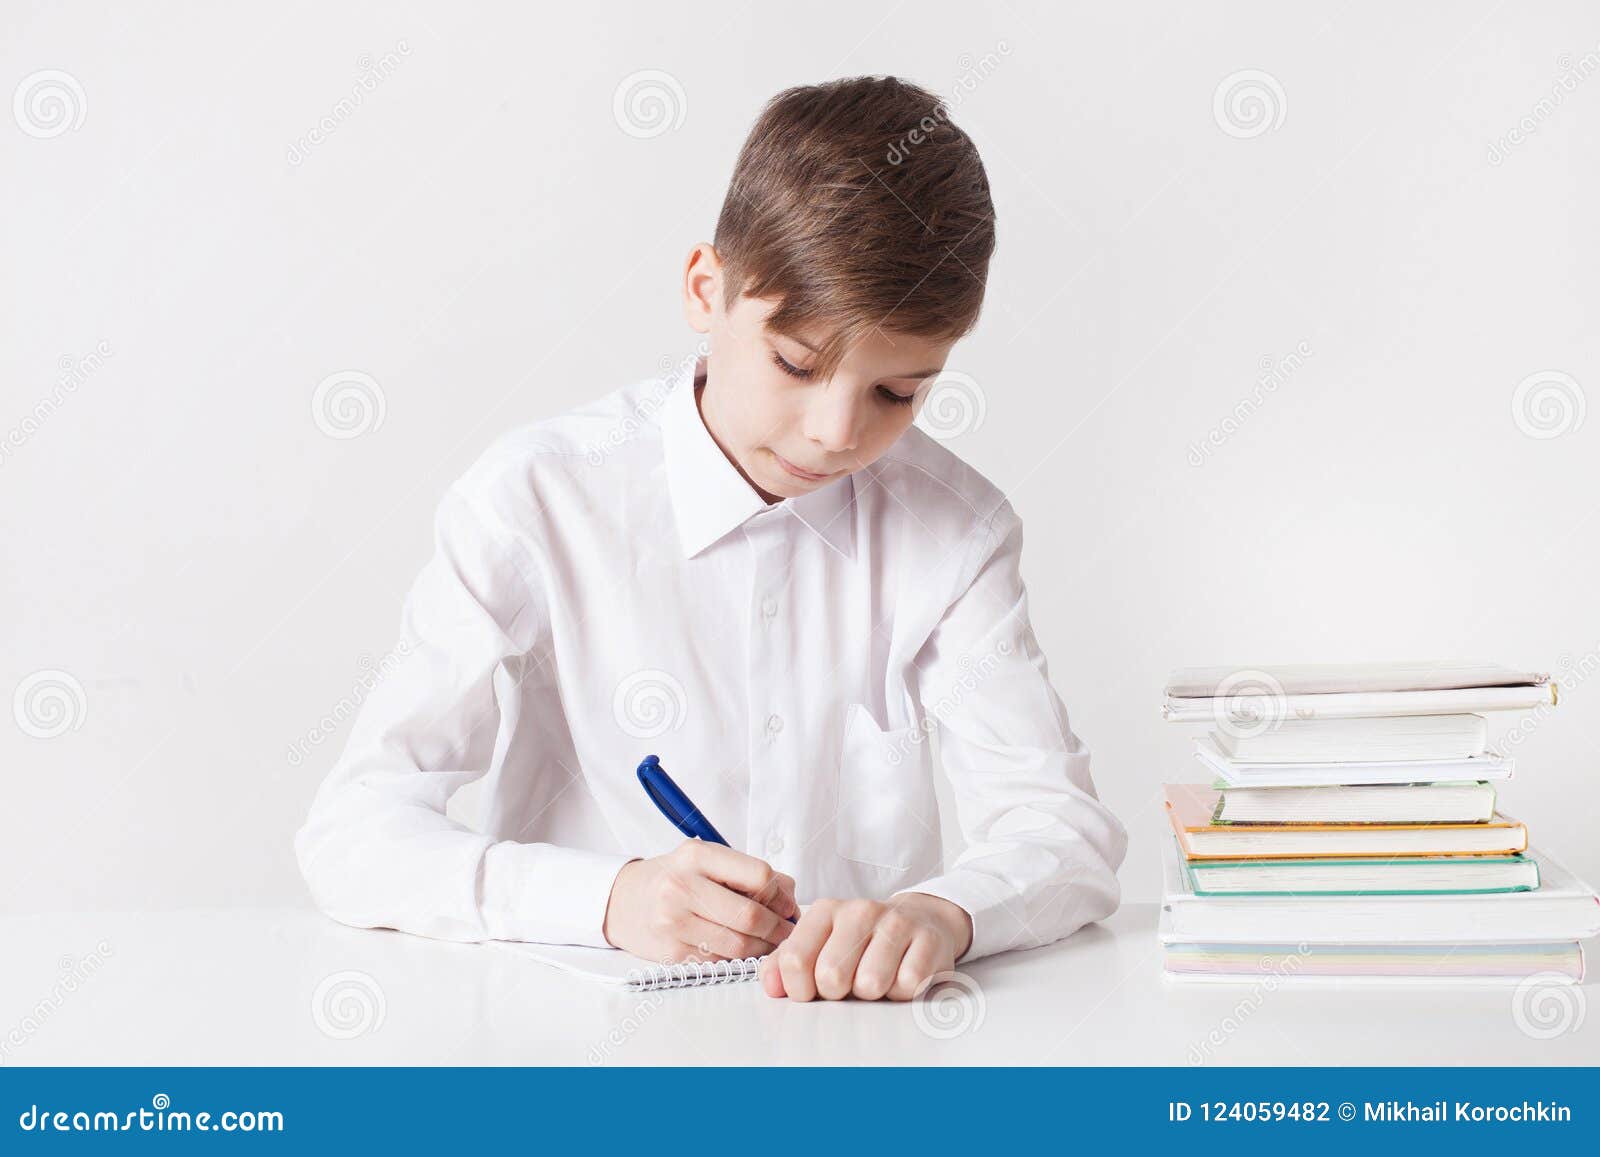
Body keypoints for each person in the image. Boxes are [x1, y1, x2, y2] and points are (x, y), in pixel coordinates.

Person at [295, 75, 1127, 1002]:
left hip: (849, 1056)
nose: (835, 432)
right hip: (576, 1050)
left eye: (898, 392)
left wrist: (942, 912)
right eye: (796, 364)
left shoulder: (957, 532)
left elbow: (1064, 831)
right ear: (707, 288)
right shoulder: (537, 498)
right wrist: (607, 899)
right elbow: (352, 833)